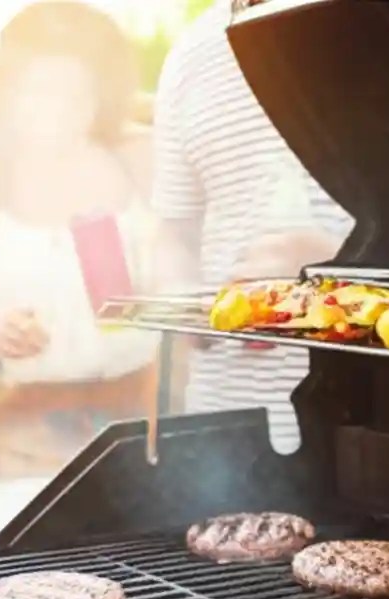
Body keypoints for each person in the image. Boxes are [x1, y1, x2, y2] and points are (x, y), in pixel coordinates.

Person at [0, 1, 158, 477]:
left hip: (139, 437)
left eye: (72, 92)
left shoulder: (140, 162)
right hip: (25, 443)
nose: (53, 110)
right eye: (36, 91)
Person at [151, 0, 355, 454]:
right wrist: (185, 303)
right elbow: (173, 233)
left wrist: (340, 271)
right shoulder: (191, 54)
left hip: (367, 430)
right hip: (224, 428)